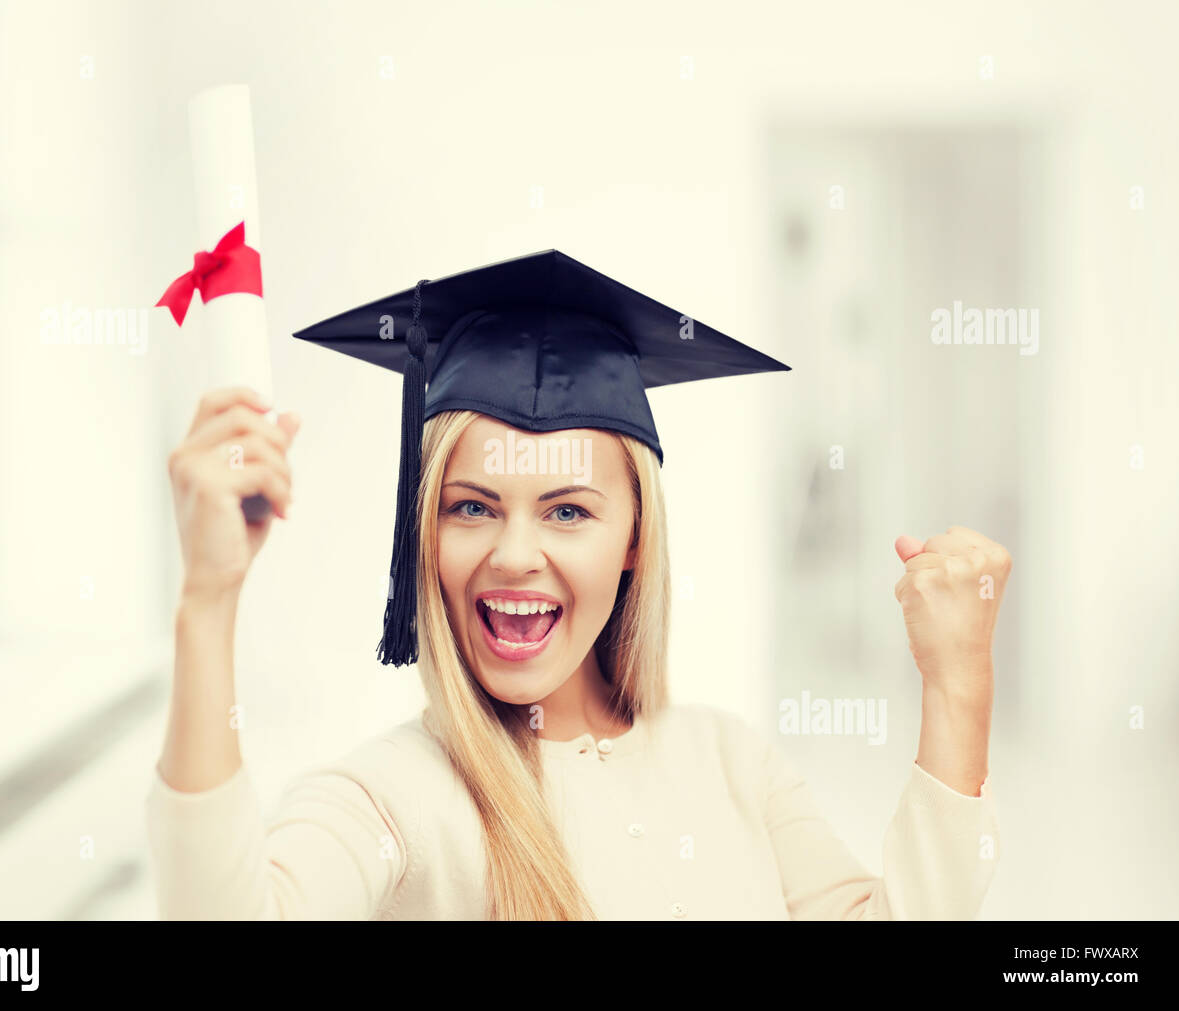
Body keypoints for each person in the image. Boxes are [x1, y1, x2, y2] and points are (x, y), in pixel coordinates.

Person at [147, 249, 1006, 920]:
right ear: (425, 531)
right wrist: (207, 602)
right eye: (472, 506)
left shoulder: (732, 762)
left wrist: (958, 684)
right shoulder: (390, 799)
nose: (515, 554)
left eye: (566, 511)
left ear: (635, 537)